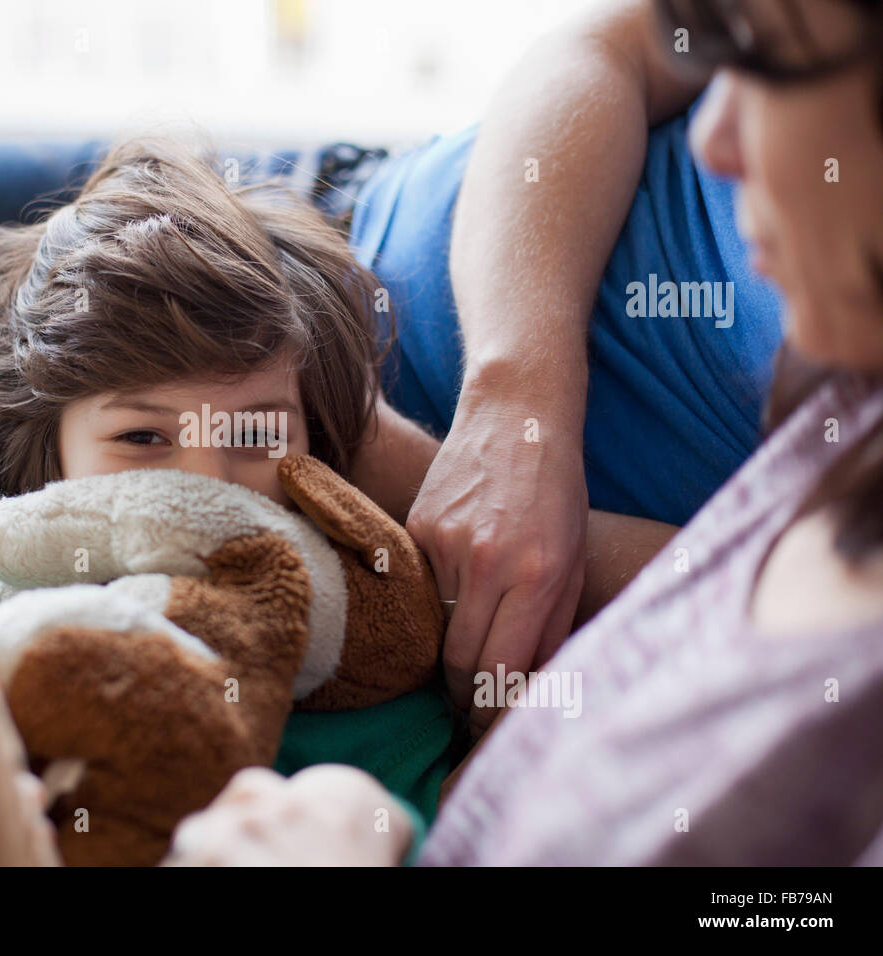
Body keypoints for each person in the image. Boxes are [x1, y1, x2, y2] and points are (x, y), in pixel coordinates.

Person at [0, 136, 672, 863]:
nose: (202, 483)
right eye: (143, 438)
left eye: (253, 434)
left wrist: (358, 818)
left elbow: (445, 810)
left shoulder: (373, 664)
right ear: (44, 466)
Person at [165, 0, 883, 866]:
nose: (713, 143)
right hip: (306, 240)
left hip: (330, 492)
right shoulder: (844, 386)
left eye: (770, 72)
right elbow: (600, 47)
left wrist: (382, 467)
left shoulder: (844, 362)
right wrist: (515, 400)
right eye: (727, 56)